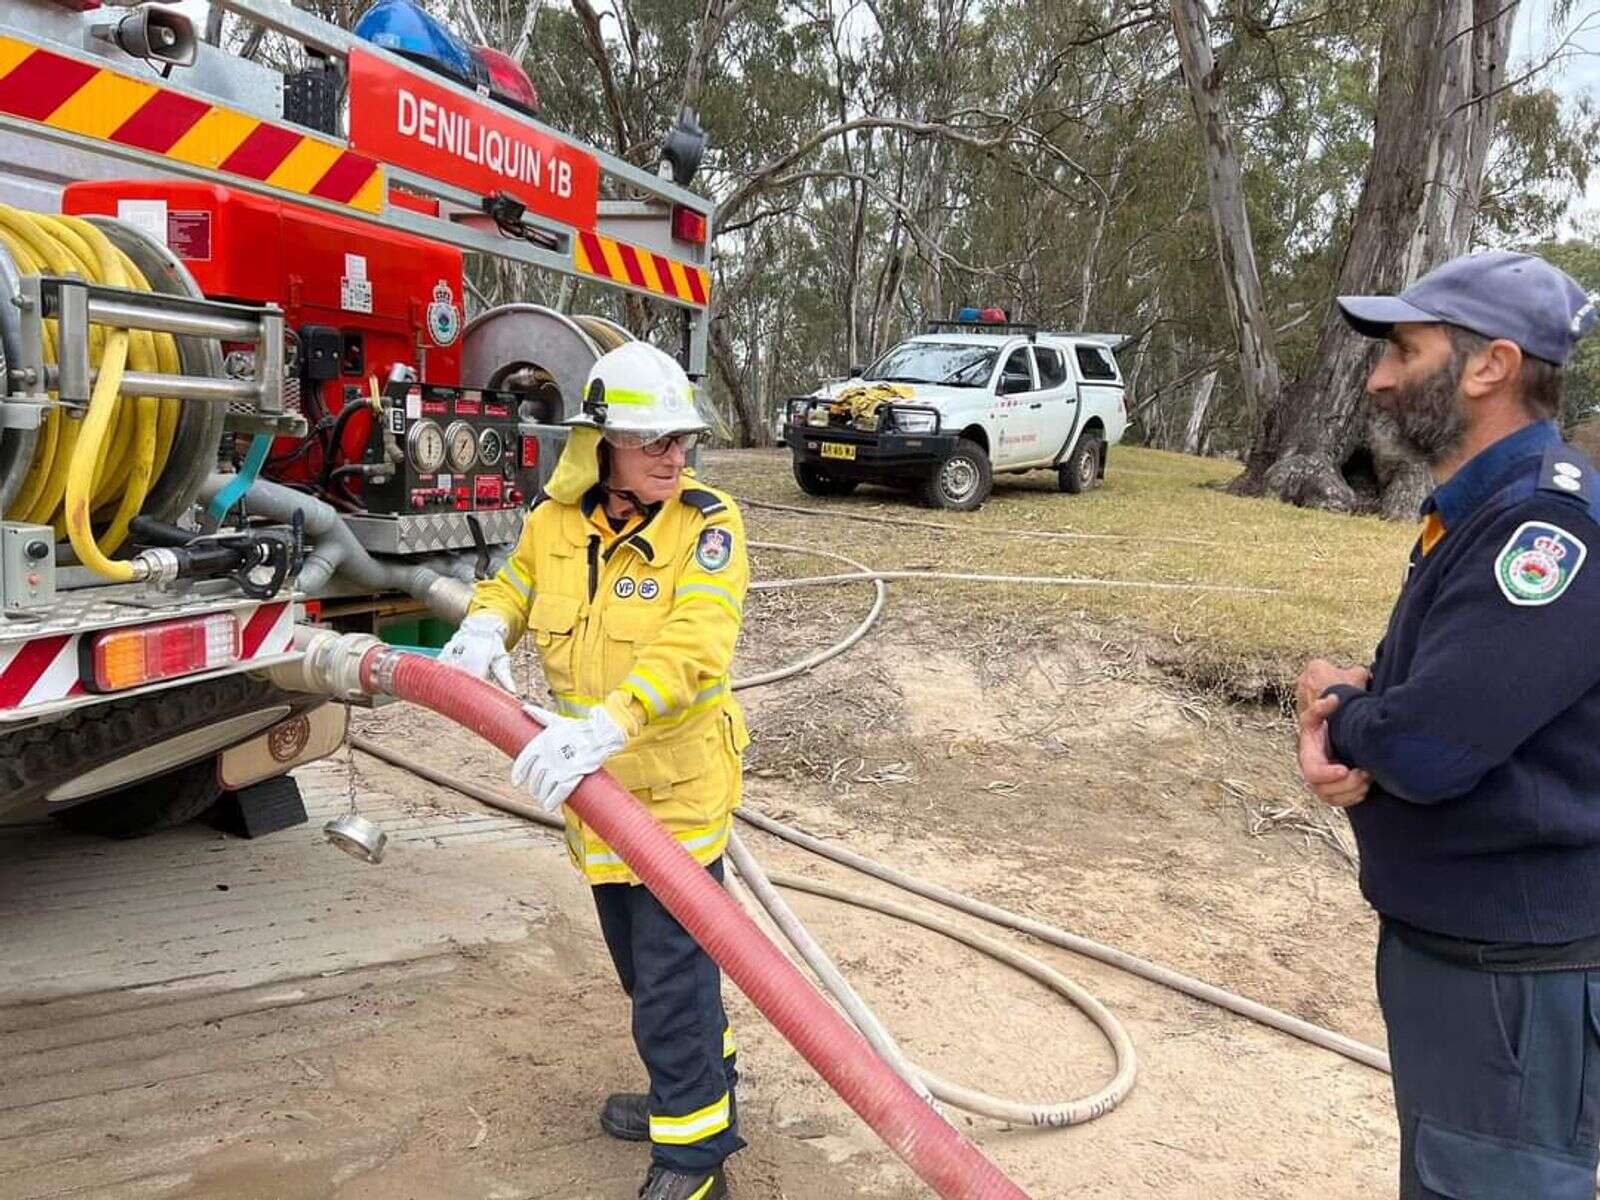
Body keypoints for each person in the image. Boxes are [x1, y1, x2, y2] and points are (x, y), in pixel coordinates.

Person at [1294, 250, 1600, 1198]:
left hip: (1512, 981)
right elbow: (1438, 692)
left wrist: (1344, 721)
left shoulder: (1542, 529)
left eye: (1403, 350)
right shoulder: (1478, 509)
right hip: (1467, 958)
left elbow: (1431, 746)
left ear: (1490, 367)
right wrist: (1364, 701)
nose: (1380, 378)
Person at [440, 341, 750, 1200]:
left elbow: (698, 642)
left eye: (681, 440)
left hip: (676, 797)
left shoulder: (709, 526)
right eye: (654, 441)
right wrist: (480, 628)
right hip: (597, 802)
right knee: (653, 974)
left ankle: (692, 1163)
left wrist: (610, 725)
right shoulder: (555, 523)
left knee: (669, 981)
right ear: (601, 444)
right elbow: (514, 587)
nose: (674, 456)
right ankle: (706, 1088)